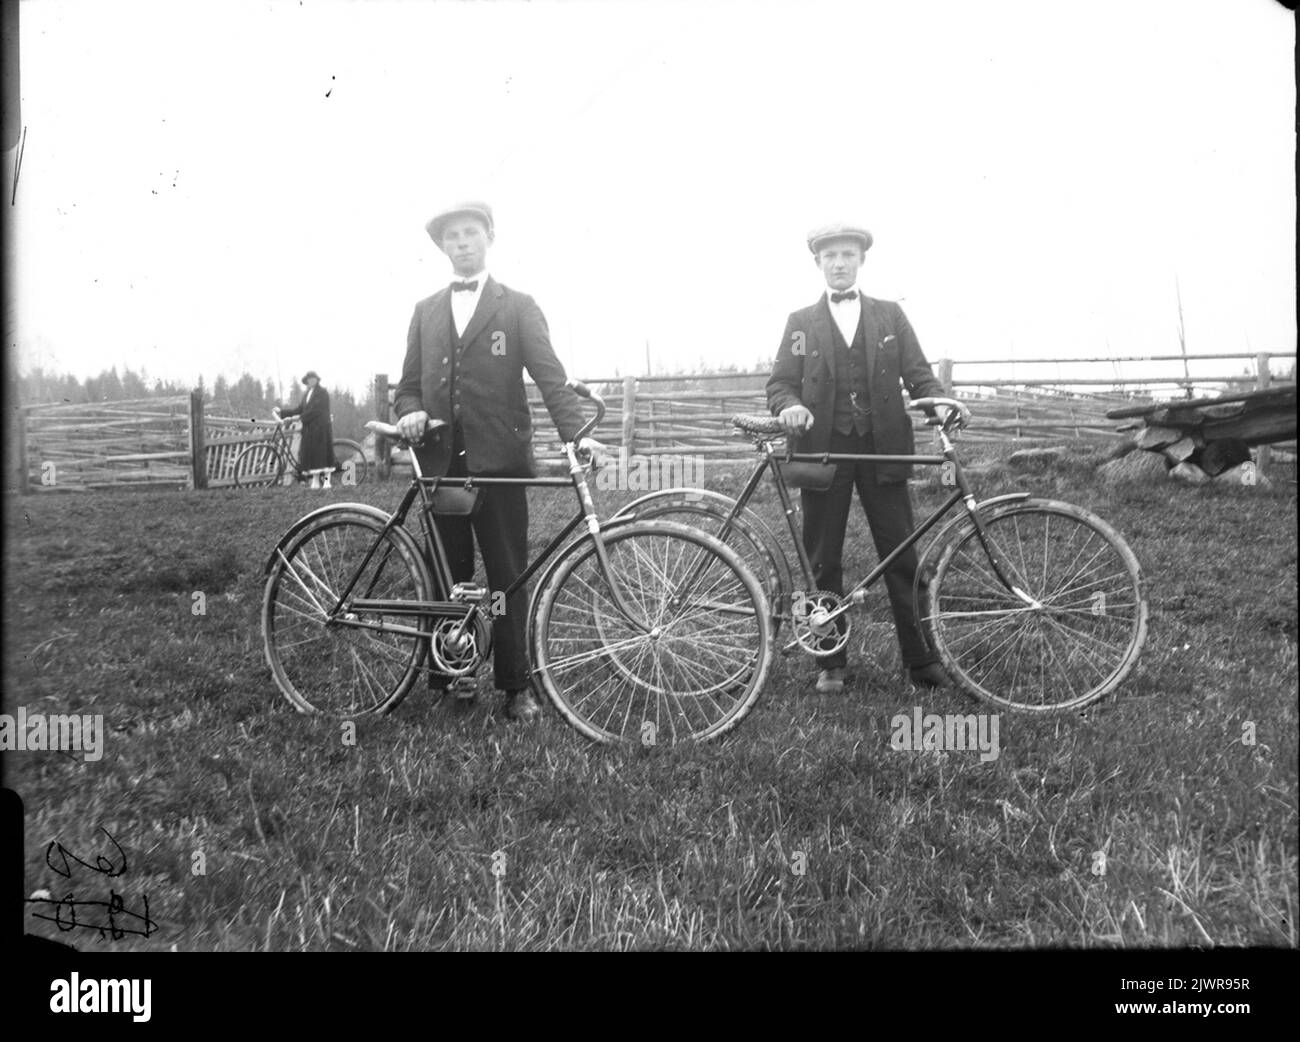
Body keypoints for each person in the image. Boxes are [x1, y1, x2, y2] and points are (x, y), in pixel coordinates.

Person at [394, 201, 602, 722]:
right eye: (452, 237)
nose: (462, 243)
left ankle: (516, 686)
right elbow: (407, 387)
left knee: (508, 577)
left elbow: (551, 379)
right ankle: (453, 678)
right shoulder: (425, 311)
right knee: (450, 573)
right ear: (441, 248)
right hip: (443, 464)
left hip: (502, 465)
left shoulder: (518, 306)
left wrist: (578, 434)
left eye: (470, 233)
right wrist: (413, 411)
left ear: (489, 237)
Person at [766, 221, 970, 695]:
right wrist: (789, 405)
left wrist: (936, 400)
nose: (839, 264)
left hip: (885, 452)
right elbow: (780, 382)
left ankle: (921, 661)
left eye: (847, 256)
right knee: (823, 560)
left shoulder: (890, 317)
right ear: (818, 263)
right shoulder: (800, 323)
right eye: (830, 256)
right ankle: (831, 662)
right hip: (822, 452)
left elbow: (919, 375)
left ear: (861, 261)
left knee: (902, 556)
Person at [275, 371, 335, 485]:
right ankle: (316, 481)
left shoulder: (322, 393)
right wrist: (282, 412)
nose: (311, 381)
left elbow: (316, 411)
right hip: (310, 429)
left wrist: (299, 418)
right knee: (313, 456)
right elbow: (299, 409)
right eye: (309, 379)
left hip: (321, 429)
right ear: (307, 381)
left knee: (324, 456)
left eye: (313, 378)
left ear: (317, 380)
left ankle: (327, 482)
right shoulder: (307, 394)